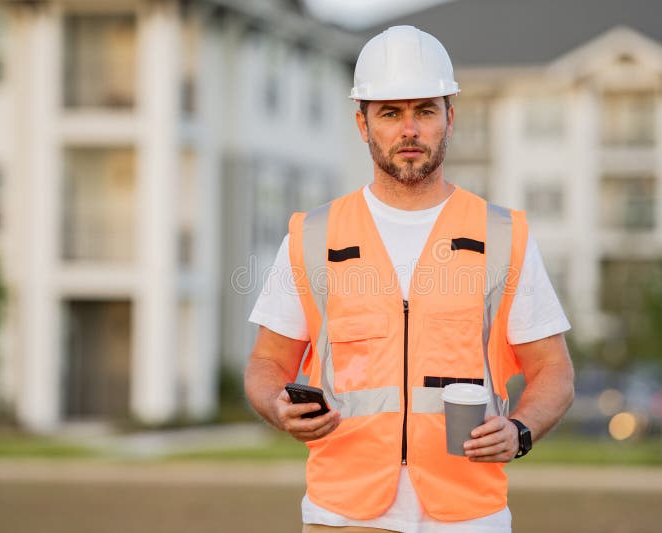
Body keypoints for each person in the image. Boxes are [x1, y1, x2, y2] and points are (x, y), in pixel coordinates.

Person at [245, 25, 575, 533]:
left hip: (468, 516)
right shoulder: (311, 237)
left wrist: (520, 431)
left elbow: (554, 370)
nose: (409, 130)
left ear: (450, 118)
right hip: (342, 515)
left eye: (424, 111)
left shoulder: (503, 236)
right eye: (389, 113)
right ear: (362, 123)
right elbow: (267, 362)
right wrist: (277, 405)